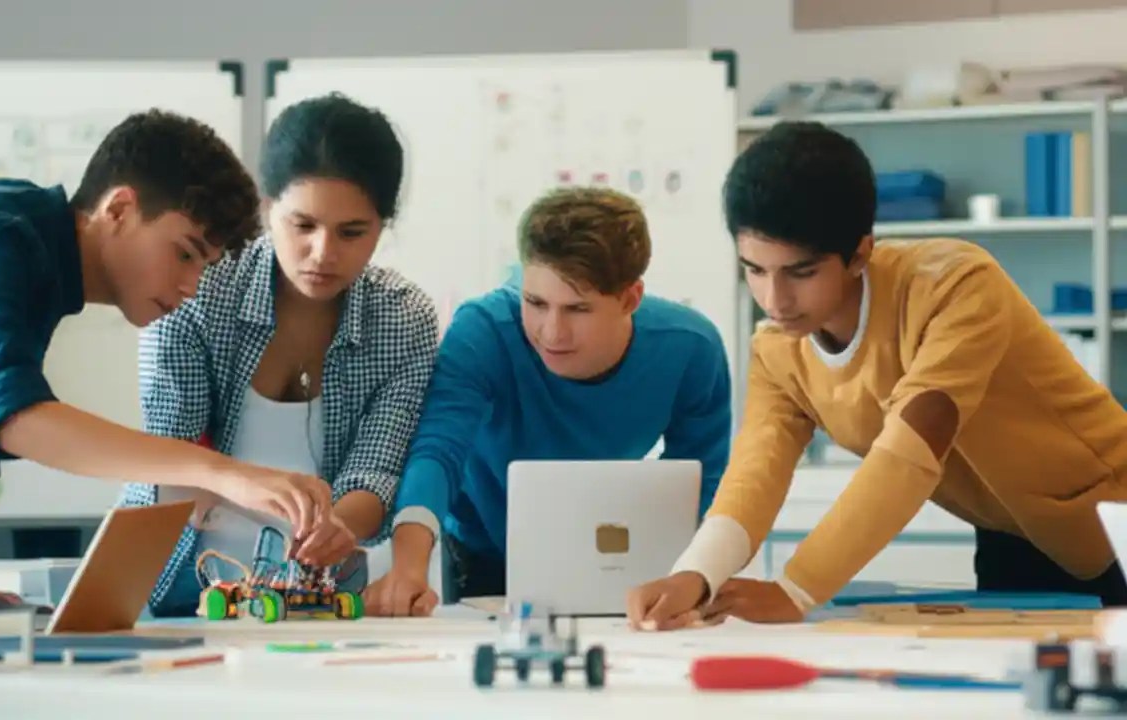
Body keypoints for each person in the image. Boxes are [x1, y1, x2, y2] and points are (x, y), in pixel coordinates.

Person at [627, 121, 1127, 631]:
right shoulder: (778, 348)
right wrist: (695, 574)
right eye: (755, 270)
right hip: (1011, 532)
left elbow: (911, 449)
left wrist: (798, 589)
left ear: (861, 253)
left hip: (1116, 520)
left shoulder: (956, 285)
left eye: (800, 273)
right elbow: (755, 471)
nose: (774, 300)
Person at [0, 109, 334, 601]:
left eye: (203, 267)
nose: (191, 287)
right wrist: (223, 472)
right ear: (119, 209)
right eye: (184, 253)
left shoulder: (33, 259)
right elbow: (18, 422)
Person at [118, 94, 439, 617]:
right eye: (303, 225)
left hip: (325, 597)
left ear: (384, 224)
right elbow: (169, 458)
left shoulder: (402, 318)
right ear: (266, 210)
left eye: (352, 232)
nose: (323, 253)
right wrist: (260, 491)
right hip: (176, 588)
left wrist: (338, 526)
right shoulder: (198, 289)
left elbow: (375, 473)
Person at [364, 186, 733, 616]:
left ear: (630, 299)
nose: (551, 332)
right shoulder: (482, 331)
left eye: (578, 309)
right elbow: (438, 449)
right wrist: (409, 567)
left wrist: (695, 574)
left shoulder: (690, 348)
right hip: (483, 547)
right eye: (536, 302)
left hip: (621, 552)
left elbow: (708, 479)